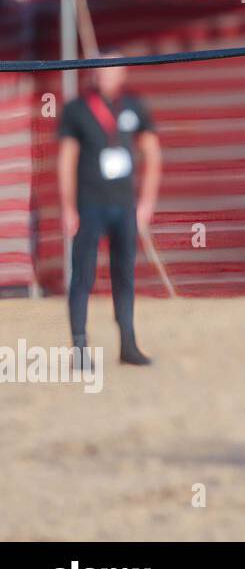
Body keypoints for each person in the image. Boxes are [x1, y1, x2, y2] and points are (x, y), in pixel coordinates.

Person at [57, 58, 161, 366]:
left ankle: (128, 345)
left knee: (124, 276)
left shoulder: (134, 106)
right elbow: (66, 160)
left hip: (123, 205)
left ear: (123, 70)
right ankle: (79, 348)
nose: (106, 74)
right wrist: (68, 207)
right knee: (83, 276)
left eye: (112, 67)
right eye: (100, 68)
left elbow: (152, 153)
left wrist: (146, 204)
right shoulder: (77, 109)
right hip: (90, 205)